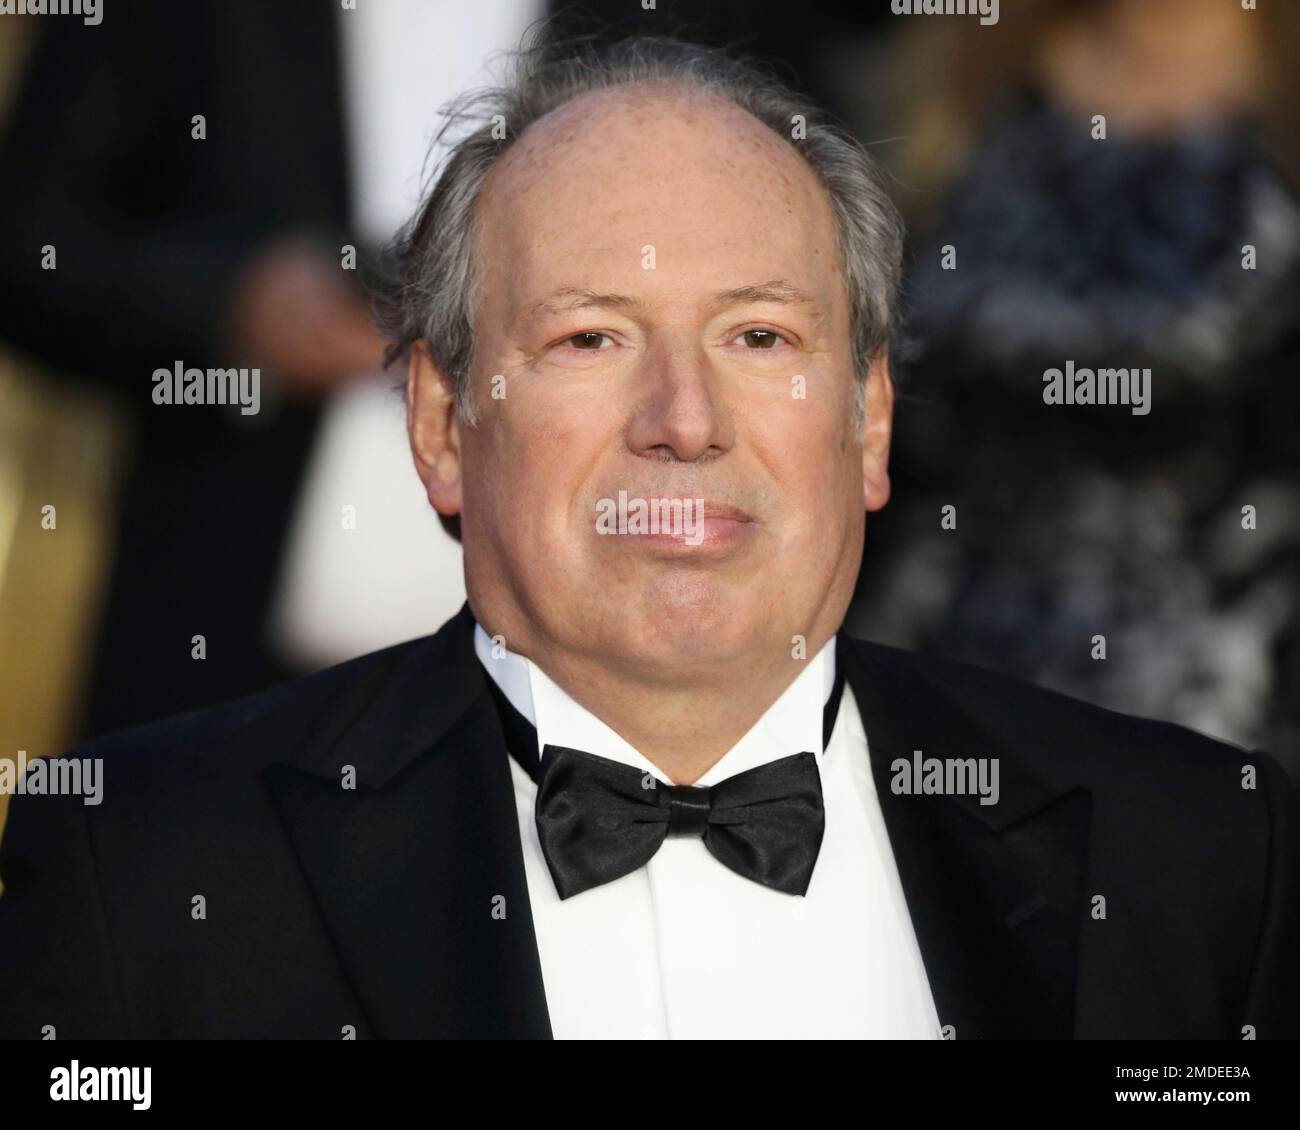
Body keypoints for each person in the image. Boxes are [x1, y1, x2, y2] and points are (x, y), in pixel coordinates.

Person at [1, 34, 1296, 1041]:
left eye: (759, 337)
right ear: (445, 424)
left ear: (870, 420)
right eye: (591, 338)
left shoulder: (1191, 863)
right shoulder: (145, 878)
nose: (684, 422)